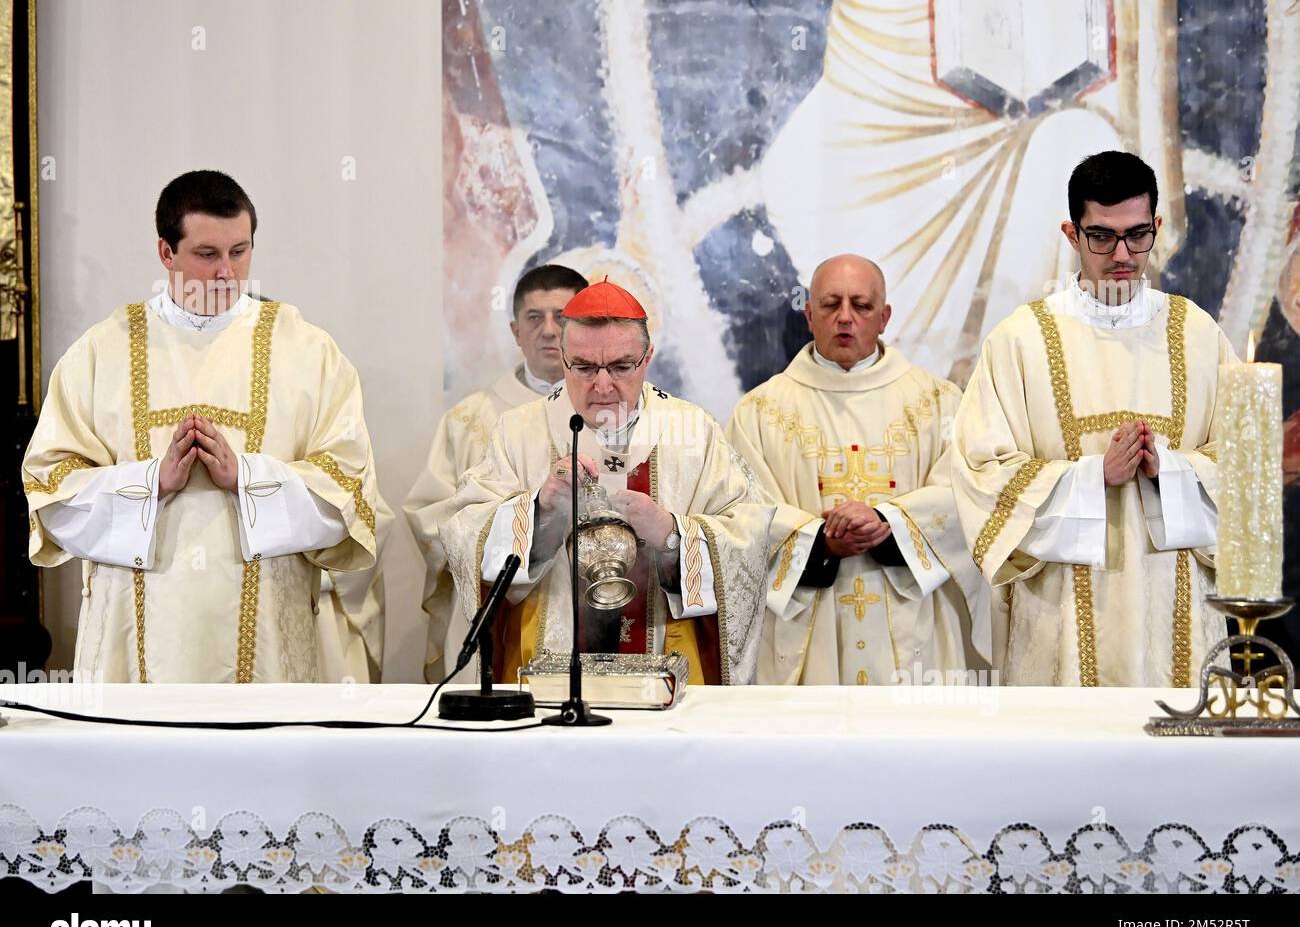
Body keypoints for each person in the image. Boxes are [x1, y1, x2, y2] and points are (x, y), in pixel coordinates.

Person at [23, 170, 381, 682]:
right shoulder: (102, 352)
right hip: (133, 647)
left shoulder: (308, 352)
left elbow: (350, 487)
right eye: (207, 254)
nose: (227, 273)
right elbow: (50, 490)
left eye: (240, 251)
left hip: (268, 651)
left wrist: (248, 480)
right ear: (166, 252)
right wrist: (150, 484)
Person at [951, 151, 1231, 686]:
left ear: (1157, 227)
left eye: (1138, 234)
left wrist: (1170, 471)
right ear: (1071, 233)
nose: (1123, 254)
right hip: (1058, 612)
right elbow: (979, 473)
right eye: (1102, 236)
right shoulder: (1022, 340)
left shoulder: (1197, 334)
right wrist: (1091, 477)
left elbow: (1244, 468)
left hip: (1179, 606)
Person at [437, 279, 774, 685]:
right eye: (583, 367)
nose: (602, 384)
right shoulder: (519, 431)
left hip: (665, 662)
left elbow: (750, 537)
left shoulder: (693, 432)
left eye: (620, 366)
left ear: (647, 358)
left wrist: (671, 535)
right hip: (547, 663)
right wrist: (539, 511)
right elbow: (463, 532)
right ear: (563, 361)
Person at [728, 254, 987, 685]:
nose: (845, 318)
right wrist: (820, 543)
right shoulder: (759, 411)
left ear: (884, 317)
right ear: (809, 315)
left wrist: (888, 522)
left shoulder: (937, 402)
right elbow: (743, 515)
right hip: (807, 625)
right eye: (831, 305)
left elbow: (967, 494)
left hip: (912, 625)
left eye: (861, 306)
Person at [404, 264, 588, 681]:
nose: (549, 330)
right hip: (494, 610)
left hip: (591, 609)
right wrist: (512, 537)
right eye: (534, 317)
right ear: (514, 330)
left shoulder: (622, 417)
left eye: (562, 316)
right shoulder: (470, 419)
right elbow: (432, 518)